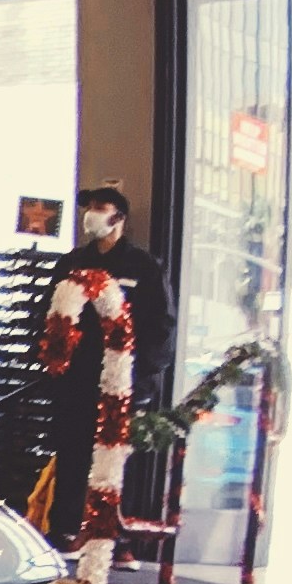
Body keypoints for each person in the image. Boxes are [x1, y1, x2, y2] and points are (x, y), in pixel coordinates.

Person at [21, 183, 175, 546]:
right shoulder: (72, 264)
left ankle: (111, 538)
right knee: (72, 453)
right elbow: (46, 316)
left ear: (118, 217)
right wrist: (50, 365)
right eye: (88, 206)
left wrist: (137, 377)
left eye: (99, 206)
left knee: (113, 462)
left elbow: (162, 327)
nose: (91, 214)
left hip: (121, 385)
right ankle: (65, 530)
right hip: (76, 380)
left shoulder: (144, 267)